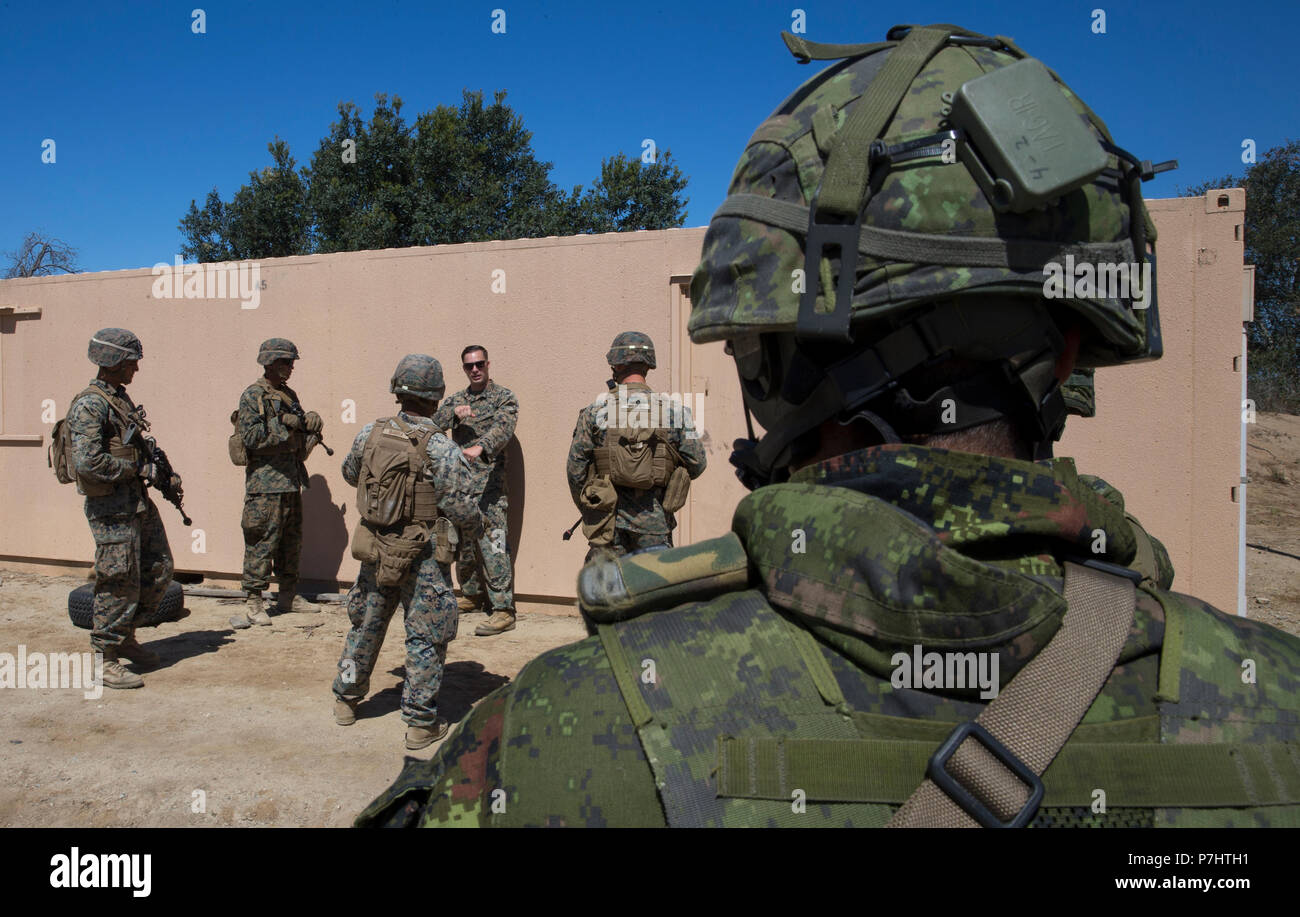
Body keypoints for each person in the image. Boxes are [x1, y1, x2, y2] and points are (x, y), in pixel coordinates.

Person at [356, 24, 1300, 826]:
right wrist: (609, 497)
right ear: (1065, 354)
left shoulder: (563, 727)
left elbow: (655, 456)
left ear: (769, 355)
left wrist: (648, 498)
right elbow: (584, 460)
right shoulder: (1276, 697)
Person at [332, 354, 484, 750]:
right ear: (436, 399)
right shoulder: (441, 447)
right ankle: (419, 723)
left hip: (377, 546)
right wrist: (474, 531)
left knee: (365, 622)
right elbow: (462, 506)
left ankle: (346, 699)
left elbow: (351, 473)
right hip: (423, 554)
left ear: (397, 390)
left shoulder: (371, 432)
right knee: (426, 634)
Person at [66, 328, 176, 689]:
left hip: (135, 502)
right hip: (111, 507)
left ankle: (125, 636)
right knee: (117, 580)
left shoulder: (119, 400)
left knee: (159, 567)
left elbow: (134, 448)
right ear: (113, 362)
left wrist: (159, 471)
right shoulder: (90, 404)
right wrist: (137, 469)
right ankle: (104, 656)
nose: (136, 369)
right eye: (131, 362)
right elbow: (88, 462)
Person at [565, 332, 707, 564]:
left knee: (604, 593)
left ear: (616, 364)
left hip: (608, 522)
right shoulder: (676, 412)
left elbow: (575, 470)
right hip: (655, 522)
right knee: (653, 594)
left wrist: (590, 509)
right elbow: (698, 463)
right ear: (648, 365)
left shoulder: (594, 412)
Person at [230, 338, 323, 629]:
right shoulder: (253, 396)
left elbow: (297, 430)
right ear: (270, 363)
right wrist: (284, 423)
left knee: (290, 542)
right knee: (261, 541)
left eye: (292, 362)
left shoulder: (288, 394)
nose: (291, 367)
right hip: (264, 484)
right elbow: (252, 438)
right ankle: (254, 601)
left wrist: (310, 423)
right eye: (285, 362)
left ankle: (287, 595)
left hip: (290, 480)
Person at [430, 345, 519, 636]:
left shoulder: (503, 397)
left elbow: (504, 428)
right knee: (464, 546)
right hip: (461, 487)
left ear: (488, 364)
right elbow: (432, 426)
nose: (475, 370)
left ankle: (504, 609)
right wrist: (454, 415)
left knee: (494, 547)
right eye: (469, 366)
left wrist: (482, 446)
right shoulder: (456, 400)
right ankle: (471, 595)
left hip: (490, 488)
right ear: (464, 369)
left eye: (479, 364)